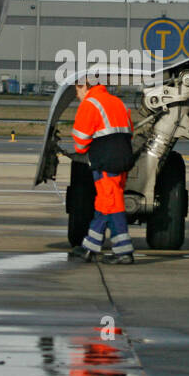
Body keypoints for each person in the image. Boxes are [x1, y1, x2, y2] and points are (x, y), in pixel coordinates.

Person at [69, 76, 136, 264]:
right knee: (105, 202)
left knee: (111, 204)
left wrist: (83, 150)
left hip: (106, 161)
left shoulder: (90, 103)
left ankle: (123, 251)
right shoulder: (118, 102)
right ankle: (90, 247)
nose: (77, 95)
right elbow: (129, 131)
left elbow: (80, 143)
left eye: (77, 90)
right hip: (123, 158)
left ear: (85, 87)